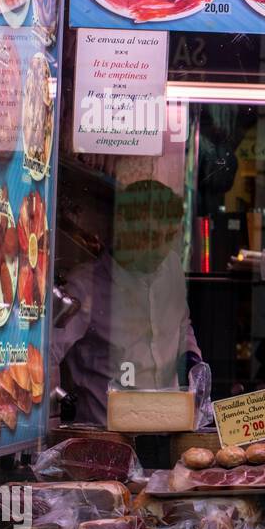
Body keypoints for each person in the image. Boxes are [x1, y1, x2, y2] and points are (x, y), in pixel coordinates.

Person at [51, 178, 200, 427]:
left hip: (170, 430)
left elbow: (182, 325)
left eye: (169, 237)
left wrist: (191, 361)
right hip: (108, 440)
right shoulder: (85, 286)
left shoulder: (172, 267)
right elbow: (47, 353)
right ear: (123, 224)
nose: (160, 249)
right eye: (150, 236)